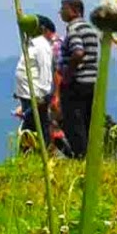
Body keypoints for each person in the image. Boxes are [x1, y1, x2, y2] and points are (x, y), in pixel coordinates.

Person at [59, 0, 99, 160]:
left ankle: (80, 155)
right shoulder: (90, 29)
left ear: (75, 11)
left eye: (64, 8)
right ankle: (90, 154)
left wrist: (67, 75)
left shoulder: (74, 29)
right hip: (91, 81)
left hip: (76, 82)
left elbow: (78, 52)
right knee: (87, 119)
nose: (60, 12)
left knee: (73, 120)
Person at [13, 20, 53, 146]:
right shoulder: (31, 45)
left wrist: (42, 95)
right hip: (27, 95)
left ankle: (43, 150)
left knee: (37, 126)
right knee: (30, 127)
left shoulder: (41, 46)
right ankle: (29, 152)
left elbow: (45, 70)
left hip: (36, 95)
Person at [37, 15, 67, 152]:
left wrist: (57, 95)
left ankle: (71, 155)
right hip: (51, 92)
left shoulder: (54, 45)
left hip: (55, 92)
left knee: (53, 128)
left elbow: (59, 71)